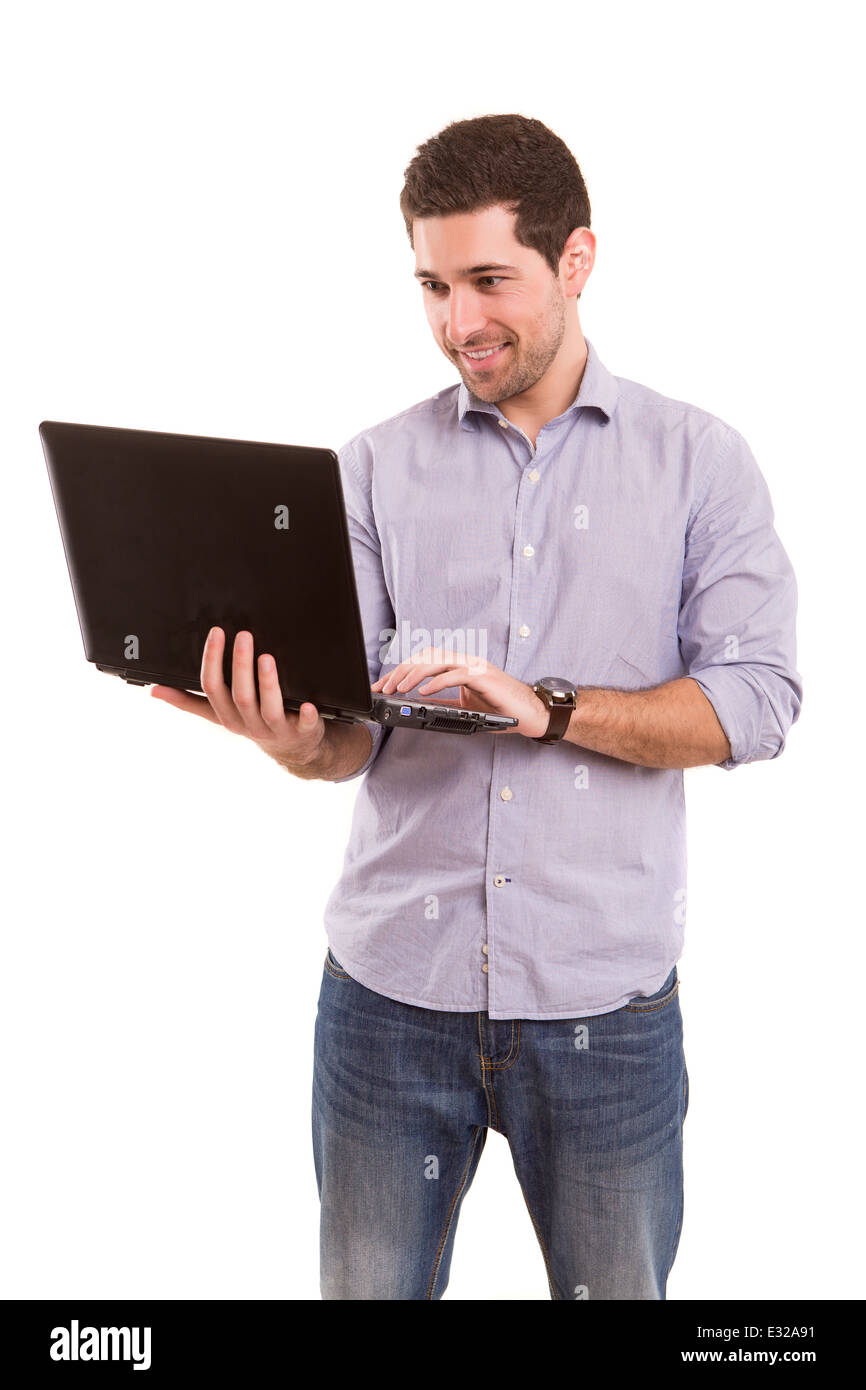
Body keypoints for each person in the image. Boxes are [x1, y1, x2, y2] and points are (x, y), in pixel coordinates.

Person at [152, 114, 803, 1300]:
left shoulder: (698, 462)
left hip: (602, 1010)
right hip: (387, 1000)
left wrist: (548, 706)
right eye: (433, 285)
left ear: (576, 260)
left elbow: (755, 704)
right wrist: (297, 740)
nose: (459, 323)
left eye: (488, 280)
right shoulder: (371, 466)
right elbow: (348, 735)